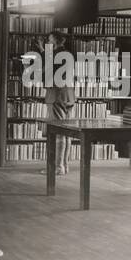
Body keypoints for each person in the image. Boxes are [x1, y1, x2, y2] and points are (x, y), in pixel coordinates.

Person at [43, 29, 75, 175]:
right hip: (68, 95)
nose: (47, 43)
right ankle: (64, 165)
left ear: (55, 41)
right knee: (66, 132)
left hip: (56, 95)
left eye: (49, 40)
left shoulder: (55, 55)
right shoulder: (68, 54)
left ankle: (58, 167)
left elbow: (48, 75)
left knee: (58, 133)